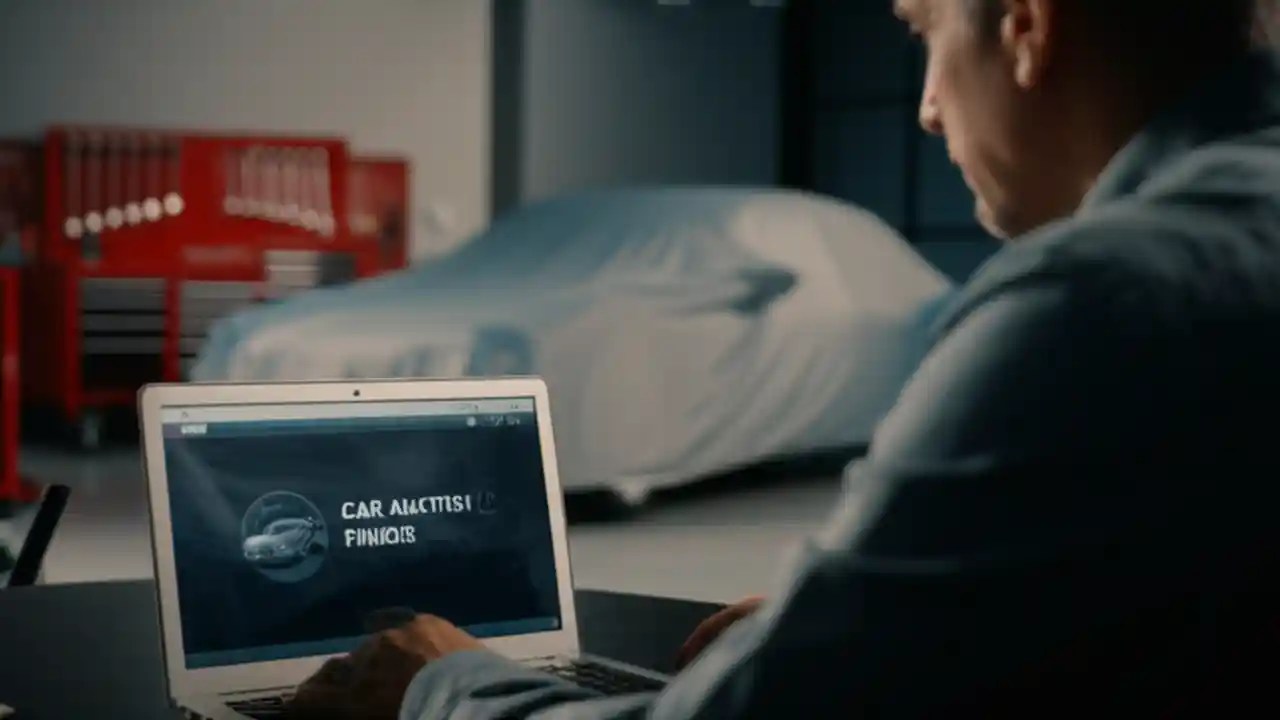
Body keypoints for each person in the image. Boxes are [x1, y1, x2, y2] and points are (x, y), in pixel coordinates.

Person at [290, 0, 1280, 717]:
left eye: (920, 33)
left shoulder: (1094, 300)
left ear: (1024, 23)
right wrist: (888, 615)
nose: (929, 108)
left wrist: (441, 683)